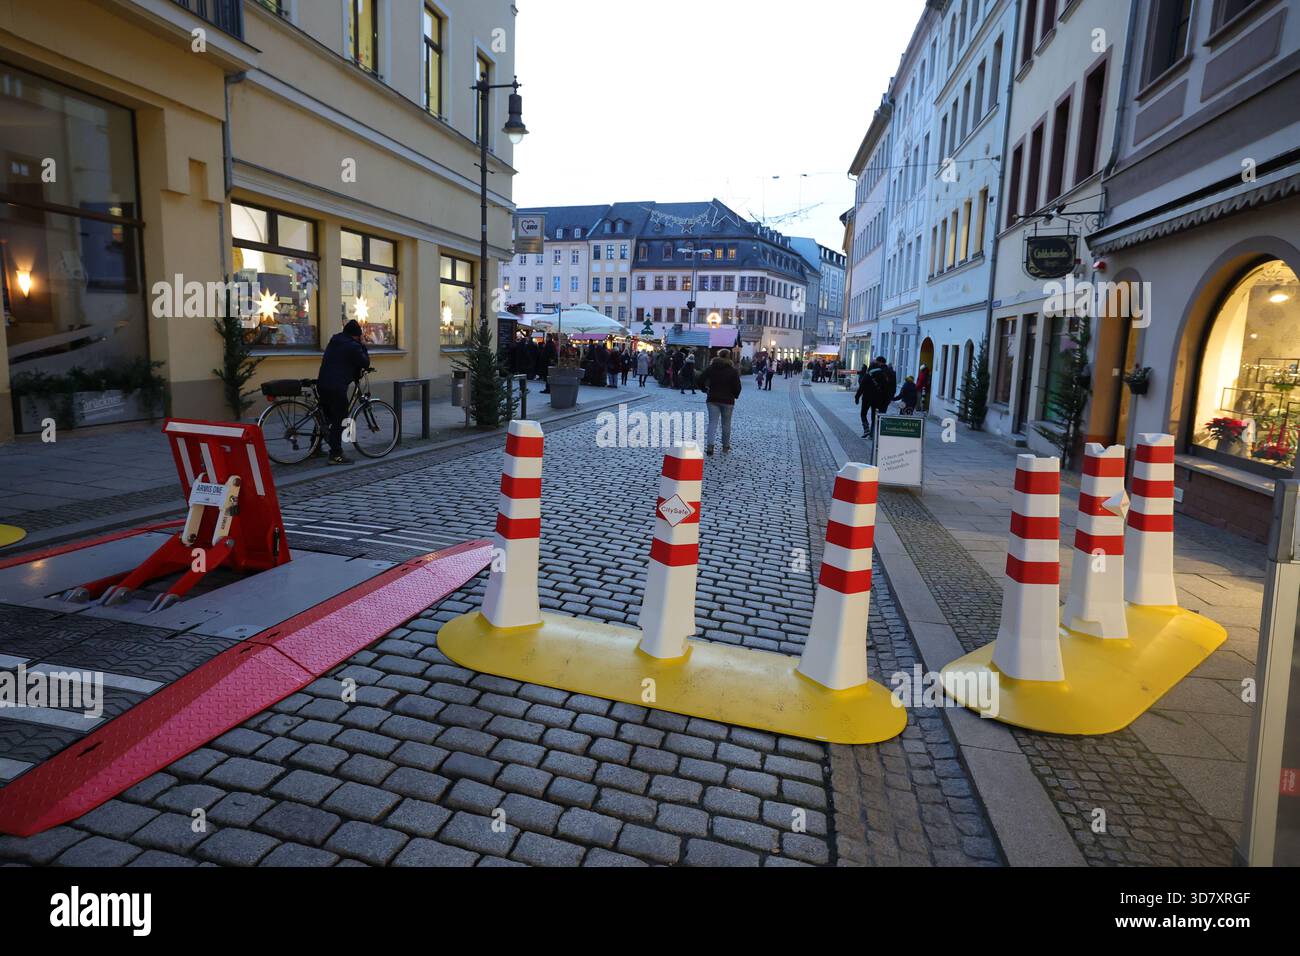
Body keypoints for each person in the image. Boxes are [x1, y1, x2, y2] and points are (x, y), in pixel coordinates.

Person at [316, 319, 370, 465]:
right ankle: (336, 454)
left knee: (326, 417)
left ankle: (315, 447)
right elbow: (365, 362)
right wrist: (363, 345)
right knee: (340, 418)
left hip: (322, 383)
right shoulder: (353, 346)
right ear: (356, 335)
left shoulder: (335, 341)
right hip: (336, 386)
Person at [700, 348, 742, 456]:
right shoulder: (732, 371)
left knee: (712, 423)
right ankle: (725, 447)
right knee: (726, 424)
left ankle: (710, 446)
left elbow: (700, 379)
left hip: (712, 399)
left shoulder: (711, 368)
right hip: (728, 401)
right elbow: (738, 387)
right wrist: (735, 395)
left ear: (718, 356)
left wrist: (705, 389)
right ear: (729, 357)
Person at [854, 362, 878, 438]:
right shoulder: (880, 376)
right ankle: (872, 433)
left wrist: (857, 397)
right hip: (876, 399)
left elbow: (861, 388)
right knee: (874, 416)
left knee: (863, 414)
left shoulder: (867, 376)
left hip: (866, 398)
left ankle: (866, 429)